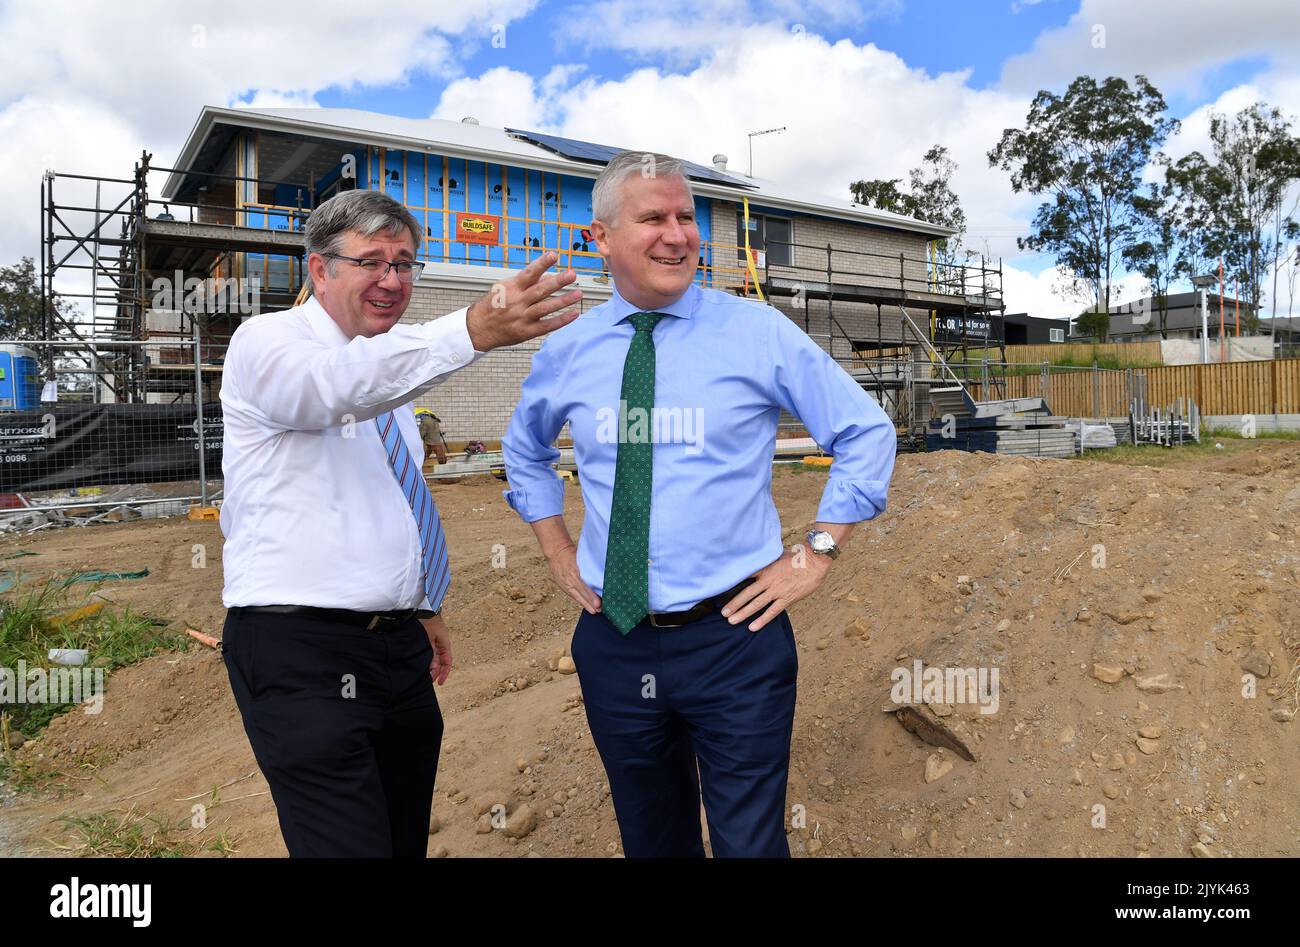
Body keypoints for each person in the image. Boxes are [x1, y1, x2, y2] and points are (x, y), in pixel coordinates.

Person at [502, 151, 896, 858]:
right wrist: (556, 547)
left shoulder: (756, 331)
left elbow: (866, 430)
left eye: (685, 217)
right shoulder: (567, 350)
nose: (678, 234)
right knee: (653, 840)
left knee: (749, 844)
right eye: (653, 217)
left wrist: (819, 550)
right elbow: (524, 451)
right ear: (600, 237)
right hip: (614, 642)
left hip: (736, 639)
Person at [219, 188, 580, 857]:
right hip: (299, 649)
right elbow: (336, 386)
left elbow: (386, 497)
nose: (393, 279)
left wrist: (420, 606)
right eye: (372, 262)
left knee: (399, 839)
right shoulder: (267, 345)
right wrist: (469, 330)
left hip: (395, 650)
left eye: (406, 263)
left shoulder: (391, 384)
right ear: (319, 269)